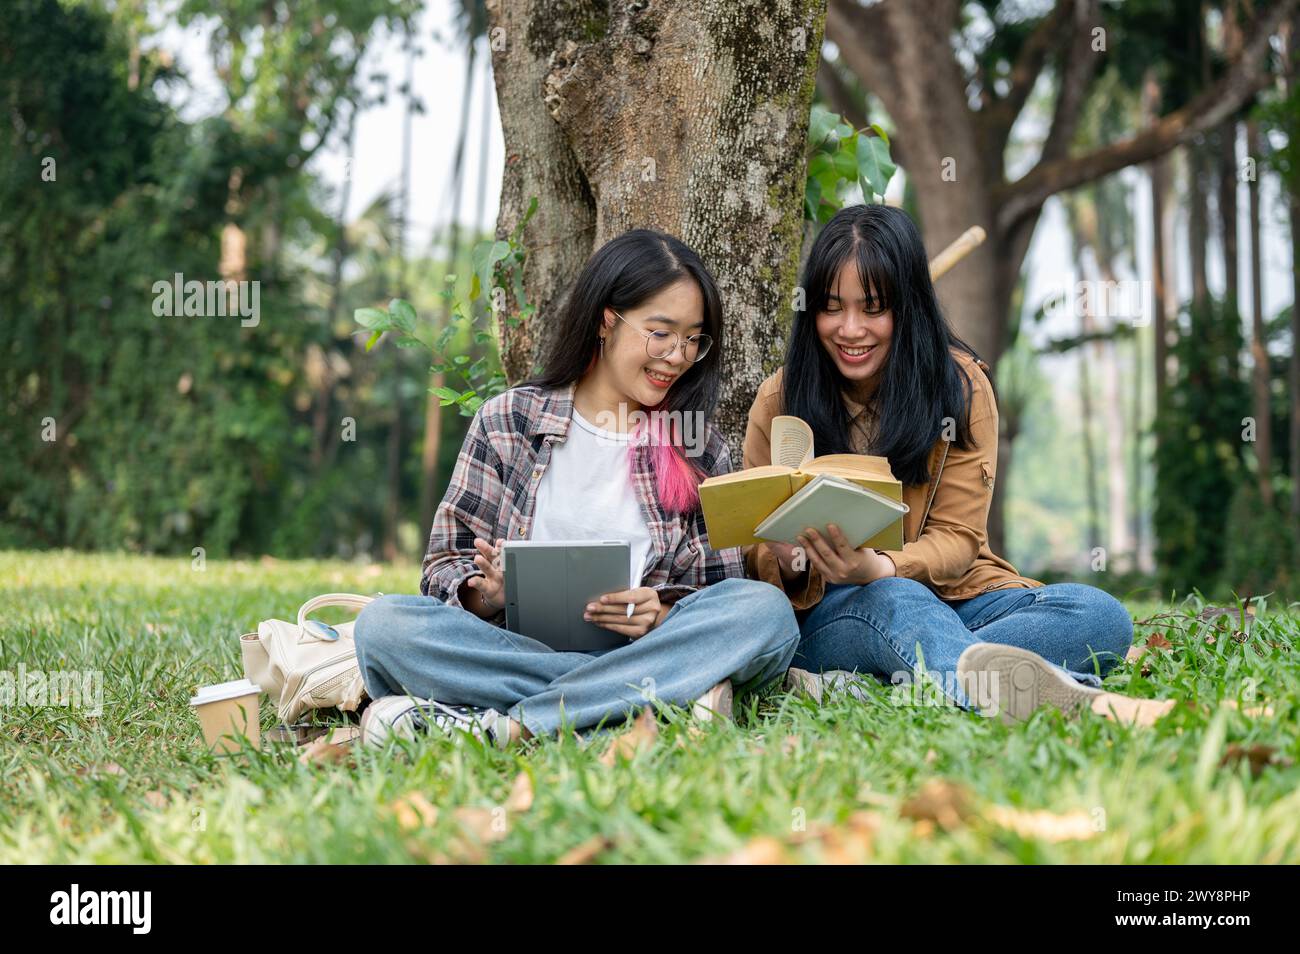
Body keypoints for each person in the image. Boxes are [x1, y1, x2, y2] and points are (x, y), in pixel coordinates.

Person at [354, 228, 799, 747]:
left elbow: (717, 590)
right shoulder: (509, 421)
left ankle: (510, 726)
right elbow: (442, 568)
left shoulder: (698, 447)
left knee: (764, 613)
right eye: (661, 333)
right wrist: (487, 594)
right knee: (383, 627)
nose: (678, 356)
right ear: (606, 321)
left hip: (638, 652)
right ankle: (636, 710)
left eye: (693, 339)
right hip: (514, 650)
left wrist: (661, 615)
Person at [744, 204, 1134, 720]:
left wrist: (882, 565)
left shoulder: (960, 388)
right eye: (832, 307)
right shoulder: (780, 398)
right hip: (836, 615)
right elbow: (750, 547)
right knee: (898, 601)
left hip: (958, 596)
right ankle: (1018, 688)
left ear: (907, 308)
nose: (850, 329)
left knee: (1100, 615)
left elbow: (958, 538)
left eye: (873, 308)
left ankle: (898, 680)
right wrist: (791, 558)